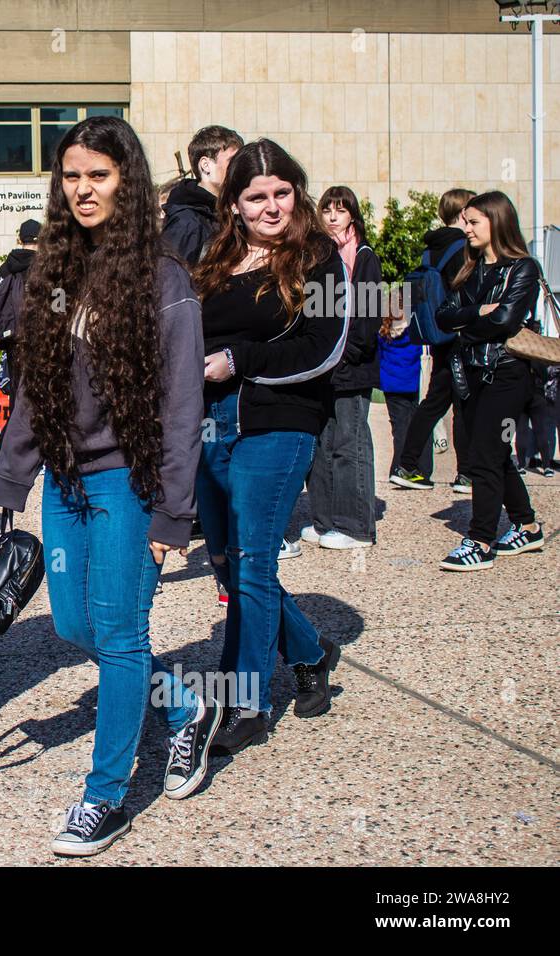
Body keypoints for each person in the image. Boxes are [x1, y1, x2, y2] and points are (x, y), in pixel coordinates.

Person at [0, 116, 219, 857]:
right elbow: (36, 387)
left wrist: (174, 517)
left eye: (100, 175)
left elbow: (186, 405)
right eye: (72, 176)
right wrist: (10, 475)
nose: (84, 189)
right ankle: (185, 707)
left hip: (130, 479)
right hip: (65, 477)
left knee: (120, 635)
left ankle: (105, 795)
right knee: (73, 628)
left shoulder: (166, 280)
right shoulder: (53, 275)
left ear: (128, 182)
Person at [191, 139, 349, 754]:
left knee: (255, 561)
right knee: (228, 562)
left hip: (279, 422)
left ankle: (247, 704)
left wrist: (240, 359)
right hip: (211, 425)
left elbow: (324, 349)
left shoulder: (320, 259)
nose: (271, 206)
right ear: (233, 204)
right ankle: (311, 651)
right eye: (256, 196)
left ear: (297, 193)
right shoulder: (214, 258)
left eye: (282, 192)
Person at [433, 191, 545, 569]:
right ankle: (527, 526)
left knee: (484, 457)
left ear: (496, 222)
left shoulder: (523, 268)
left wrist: (469, 322)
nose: (465, 229)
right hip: (472, 374)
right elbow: (442, 318)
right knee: (496, 456)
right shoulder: (471, 268)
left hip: (508, 376)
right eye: (465, 221)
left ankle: (480, 540)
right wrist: (477, 311)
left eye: (473, 222)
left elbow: (505, 322)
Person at [302, 186, 382, 550]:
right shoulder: (320, 256)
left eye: (341, 210)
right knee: (324, 444)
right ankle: (325, 520)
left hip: (351, 367)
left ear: (353, 215)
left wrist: (341, 354)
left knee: (351, 445)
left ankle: (356, 526)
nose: (333, 216)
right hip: (324, 369)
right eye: (327, 210)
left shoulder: (364, 257)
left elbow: (366, 321)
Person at [390, 188, 474, 493]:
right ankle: (466, 473)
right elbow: (465, 291)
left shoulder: (432, 249)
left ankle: (408, 464)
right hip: (459, 334)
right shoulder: (463, 247)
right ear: (464, 212)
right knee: (463, 401)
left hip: (437, 333)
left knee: (435, 400)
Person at [0, 219, 39, 470]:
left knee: (16, 402)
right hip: (40, 341)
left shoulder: (6, 267)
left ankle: (3, 457)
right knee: (42, 397)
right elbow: (59, 300)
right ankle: (34, 457)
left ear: (20, 240)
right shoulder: (48, 266)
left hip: (12, 341)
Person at [161, 125, 244, 266]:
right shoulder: (186, 223)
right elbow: (171, 280)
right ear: (206, 166)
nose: (240, 167)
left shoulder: (223, 212)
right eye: (232, 161)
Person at [378, 287, 432, 479]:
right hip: (411, 381)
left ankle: (397, 468)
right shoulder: (414, 327)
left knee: (399, 429)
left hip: (390, 383)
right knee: (418, 425)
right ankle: (420, 468)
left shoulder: (383, 327)